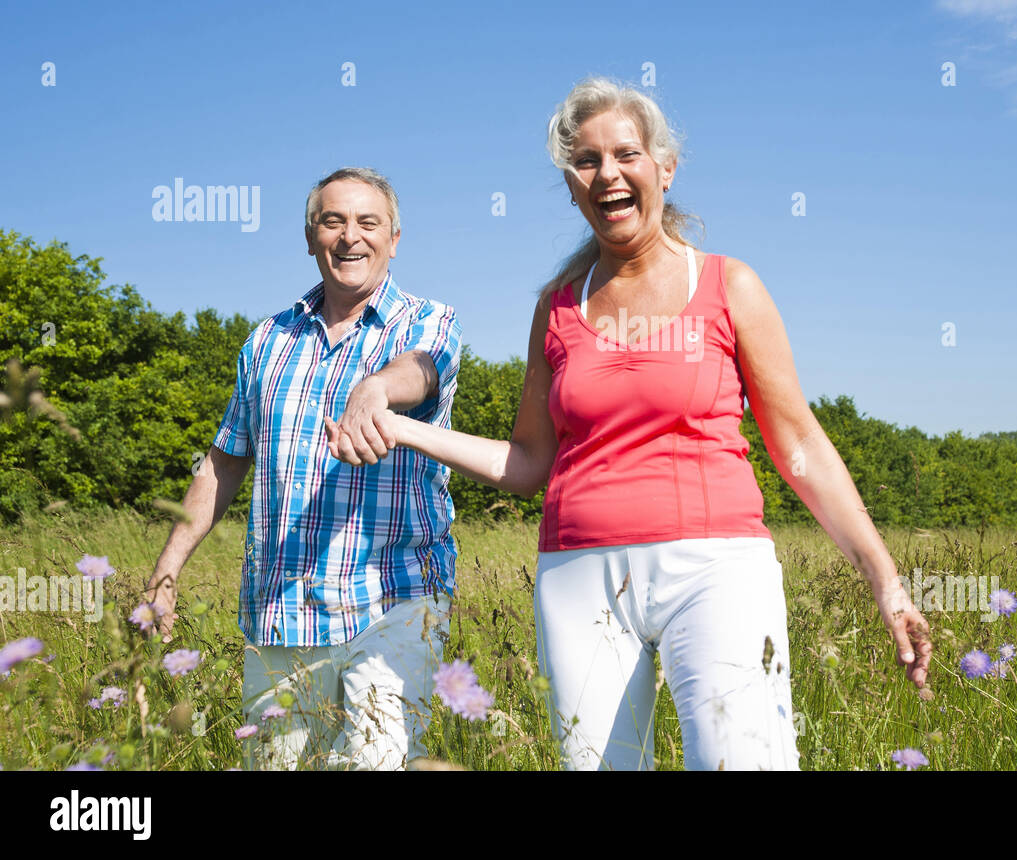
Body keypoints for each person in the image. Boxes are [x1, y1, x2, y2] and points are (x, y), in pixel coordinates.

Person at [326, 79, 931, 770]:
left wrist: (886, 580)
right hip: (577, 572)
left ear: (664, 168)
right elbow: (528, 464)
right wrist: (403, 429)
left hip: (716, 566)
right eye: (586, 161)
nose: (607, 172)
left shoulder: (730, 285)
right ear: (572, 185)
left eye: (625, 154)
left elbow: (798, 446)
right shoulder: (556, 309)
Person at [146, 167, 462, 770]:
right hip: (281, 609)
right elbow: (224, 461)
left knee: (379, 763)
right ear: (311, 234)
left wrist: (376, 388)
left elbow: (421, 368)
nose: (351, 237)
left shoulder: (429, 322)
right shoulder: (266, 340)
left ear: (394, 238)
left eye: (369, 223)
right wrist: (166, 572)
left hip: (393, 600)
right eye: (333, 221)